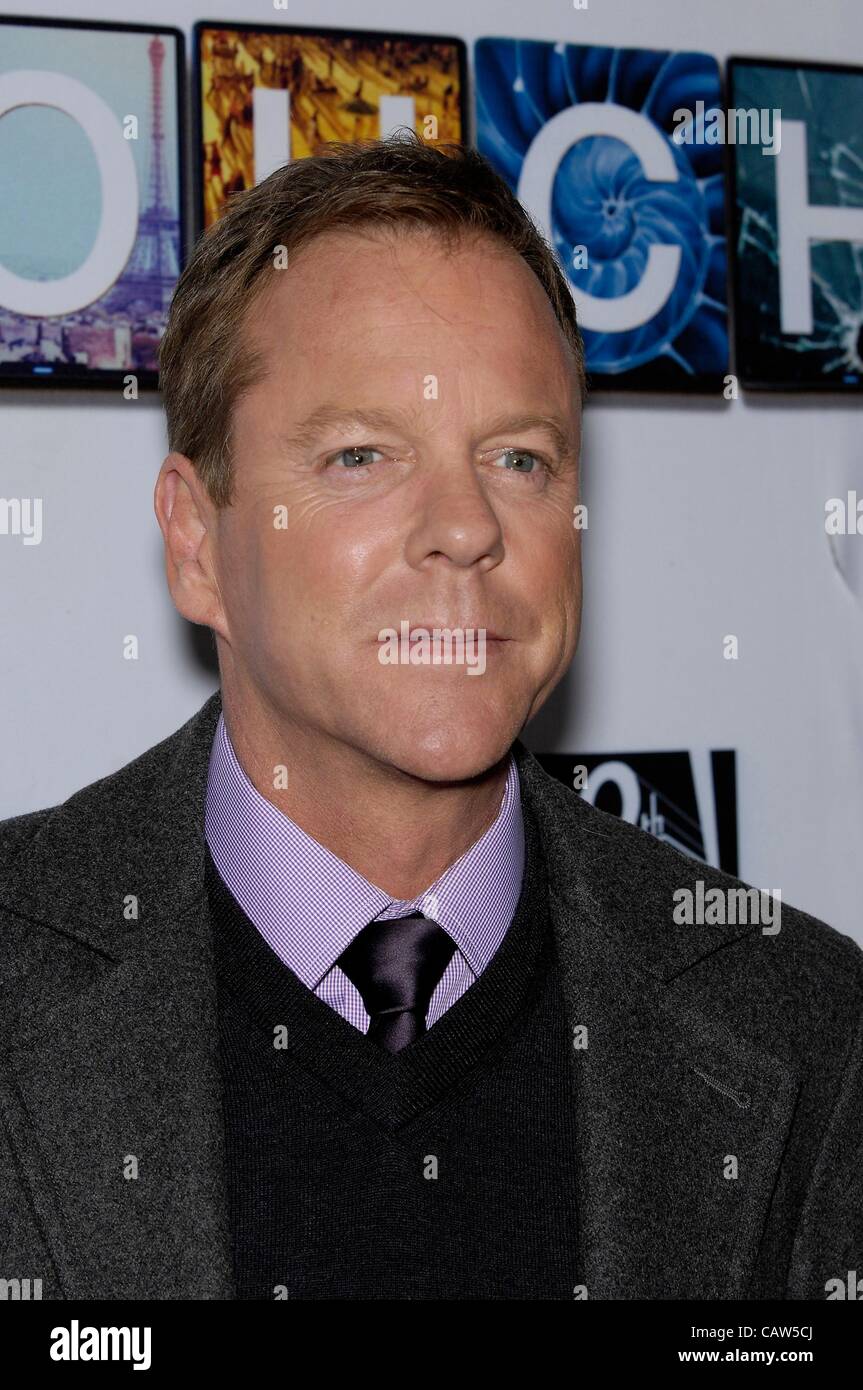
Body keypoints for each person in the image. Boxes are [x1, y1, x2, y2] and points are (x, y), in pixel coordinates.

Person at [1, 133, 860, 1302]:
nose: (464, 527)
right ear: (197, 541)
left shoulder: (802, 1020)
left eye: (517, 457)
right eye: (361, 455)